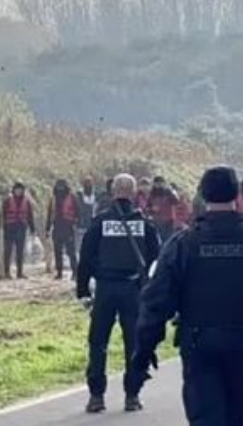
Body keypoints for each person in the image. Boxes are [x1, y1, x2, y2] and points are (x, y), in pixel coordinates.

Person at [131, 166, 243, 426]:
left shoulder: (182, 245)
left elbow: (155, 304)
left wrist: (142, 353)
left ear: (202, 195)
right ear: (237, 194)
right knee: (238, 418)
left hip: (201, 347)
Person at [76, 174, 162, 414]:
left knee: (98, 342)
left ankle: (96, 397)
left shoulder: (100, 222)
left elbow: (85, 259)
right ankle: (132, 396)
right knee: (133, 343)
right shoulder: (144, 224)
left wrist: (83, 290)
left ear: (113, 191)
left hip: (104, 288)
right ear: (134, 193)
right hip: (133, 290)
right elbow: (157, 260)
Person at [45, 179, 81, 280]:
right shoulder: (53, 199)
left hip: (68, 227)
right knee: (57, 251)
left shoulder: (72, 197)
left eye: (62, 187)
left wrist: (77, 224)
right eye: (58, 187)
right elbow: (49, 215)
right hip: (57, 227)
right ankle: (59, 272)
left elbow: (78, 212)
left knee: (71, 251)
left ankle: (75, 272)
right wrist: (47, 229)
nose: (60, 190)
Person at [1, 182, 36, 280]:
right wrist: (3, 227)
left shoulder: (27, 202)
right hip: (9, 228)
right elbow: (3, 215)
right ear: (14, 190)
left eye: (20, 189)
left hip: (21, 228)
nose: (18, 191)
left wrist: (32, 229)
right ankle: (7, 272)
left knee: (20, 251)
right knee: (8, 250)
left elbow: (30, 216)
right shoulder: (7, 201)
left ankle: (19, 272)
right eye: (17, 189)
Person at [148, 176, 179, 242]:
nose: (159, 185)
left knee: (168, 239)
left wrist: (171, 192)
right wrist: (152, 209)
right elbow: (147, 208)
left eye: (161, 183)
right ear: (154, 184)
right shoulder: (152, 194)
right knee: (158, 239)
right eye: (157, 183)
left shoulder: (168, 192)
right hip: (157, 221)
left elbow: (176, 201)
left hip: (168, 221)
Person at [76, 177, 98, 248]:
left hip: (92, 225)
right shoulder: (79, 196)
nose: (88, 185)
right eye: (87, 183)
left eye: (90, 183)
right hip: (81, 226)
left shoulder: (97, 195)